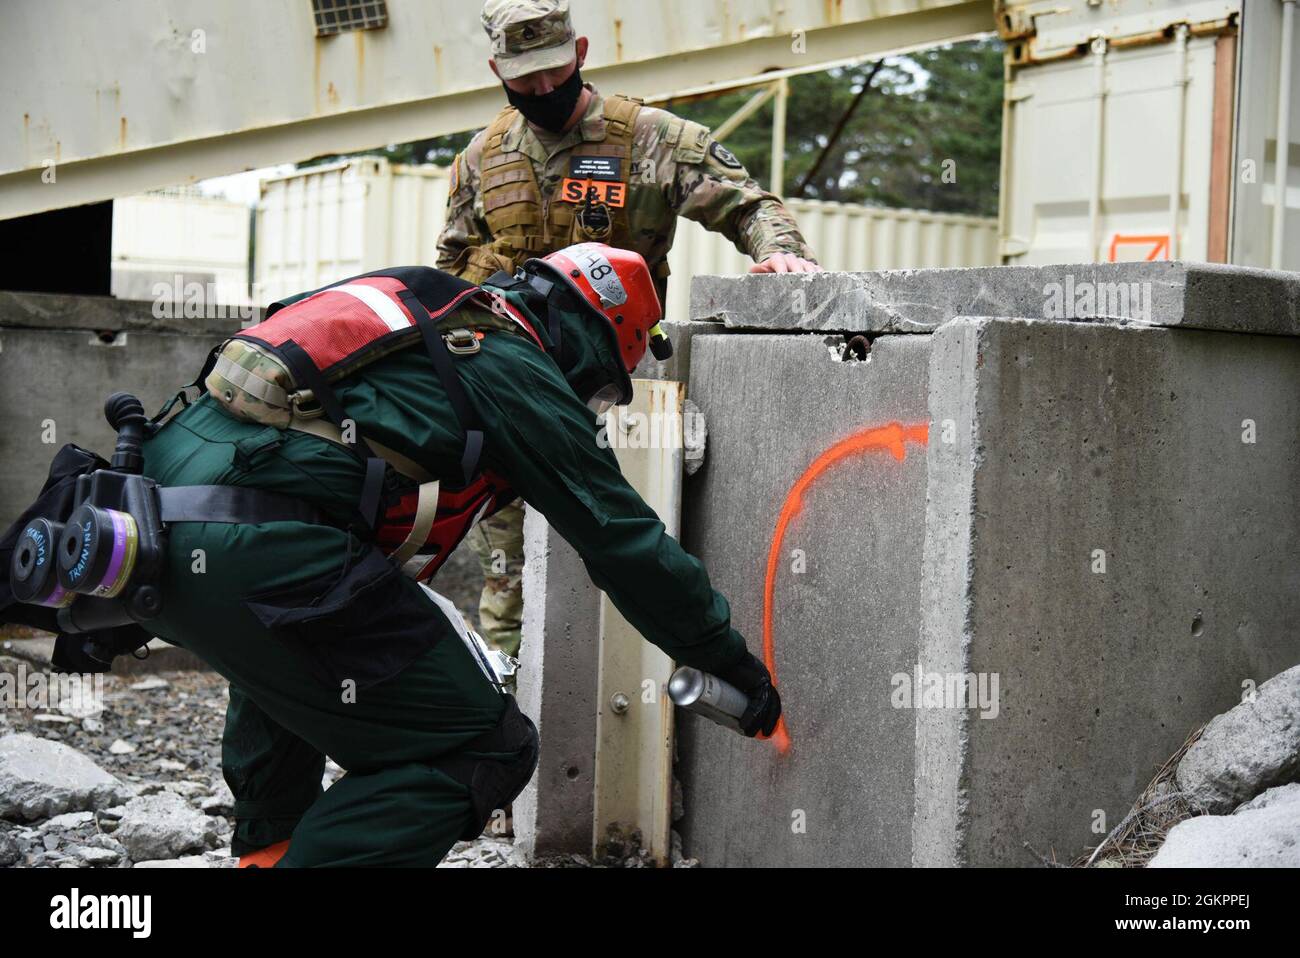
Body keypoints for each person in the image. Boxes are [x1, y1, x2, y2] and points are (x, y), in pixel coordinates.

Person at [2, 243, 781, 867]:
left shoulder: (422, 321)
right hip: (247, 536)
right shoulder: (516, 365)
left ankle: (270, 851)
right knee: (483, 746)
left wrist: (269, 821)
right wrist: (728, 658)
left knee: (298, 650)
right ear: (595, 341)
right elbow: (623, 542)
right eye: (606, 389)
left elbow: (282, 662)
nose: (595, 406)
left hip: (140, 518)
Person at [441, 0, 823, 657]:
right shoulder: (482, 159)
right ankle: (507, 703)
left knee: (629, 548)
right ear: (496, 70)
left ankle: (641, 703)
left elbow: (747, 203)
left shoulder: (649, 138)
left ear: (581, 52)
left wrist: (779, 254)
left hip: (621, 392)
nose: (542, 90)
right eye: (523, 78)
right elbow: (450, 273)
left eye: (554, 72)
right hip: (512, 394)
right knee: (507, 571)